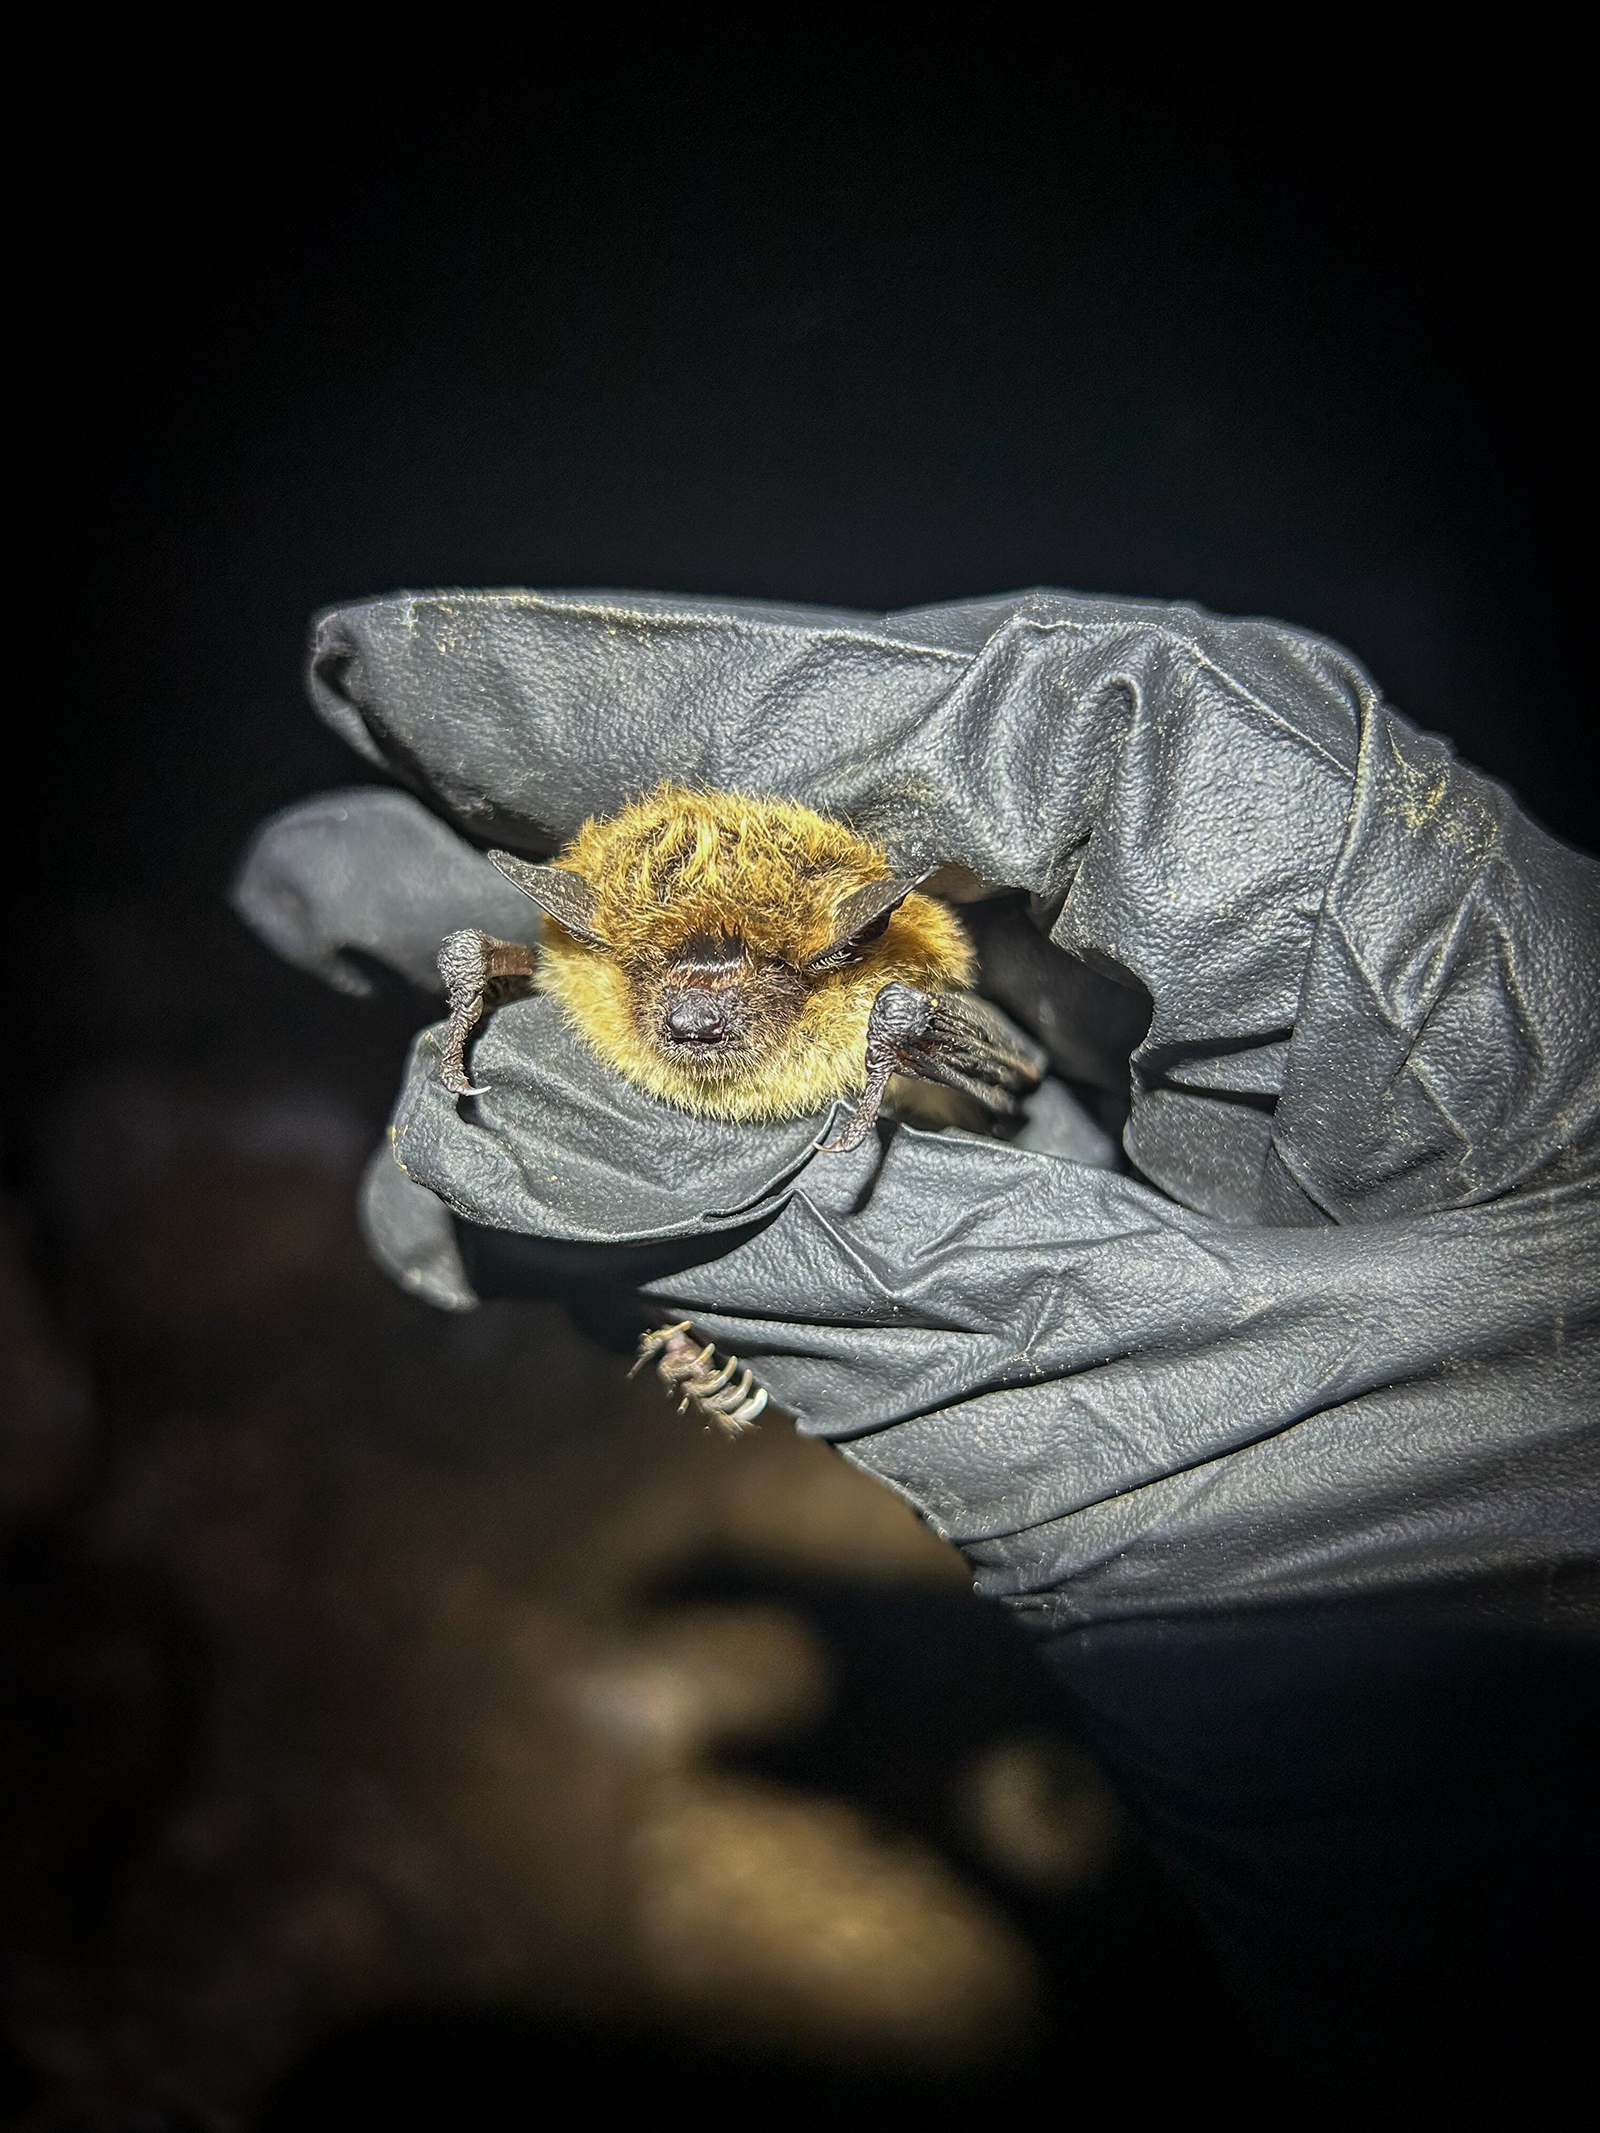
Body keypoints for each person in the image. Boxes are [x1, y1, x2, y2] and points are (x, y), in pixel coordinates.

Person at [237, 586, 1598, 2120]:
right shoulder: (581, 963)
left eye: (751, 975)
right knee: (640, 1189)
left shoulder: (884, 972)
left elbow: (935, 984)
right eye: (674, 975)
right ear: (597, 947)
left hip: (902, 1027)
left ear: (837, 959)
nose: (708, 1007)